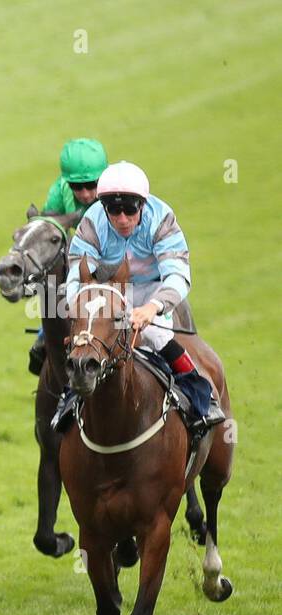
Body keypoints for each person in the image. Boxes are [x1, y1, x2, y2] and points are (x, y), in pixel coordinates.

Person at [59, 160, 225, 439]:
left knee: (156, 336)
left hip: (152, 288)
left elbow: (178, 274)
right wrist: (84, 308)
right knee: (86, 341)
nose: (122, 218)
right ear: (104, 207)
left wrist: (152, 308)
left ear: (142, 206)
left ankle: (199, 397)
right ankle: (68, 400)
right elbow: (76, 274)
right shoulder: (92, 222)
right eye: (114, 210)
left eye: (130, 210)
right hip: (107, 290)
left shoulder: (161, 218)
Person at [28, 137, 108, 375]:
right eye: (76, 186)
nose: (84, 193)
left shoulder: (118, 196)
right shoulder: (59, 188)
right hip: (83, 255)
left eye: (91, 185)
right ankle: (47, 336)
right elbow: (50, 228)